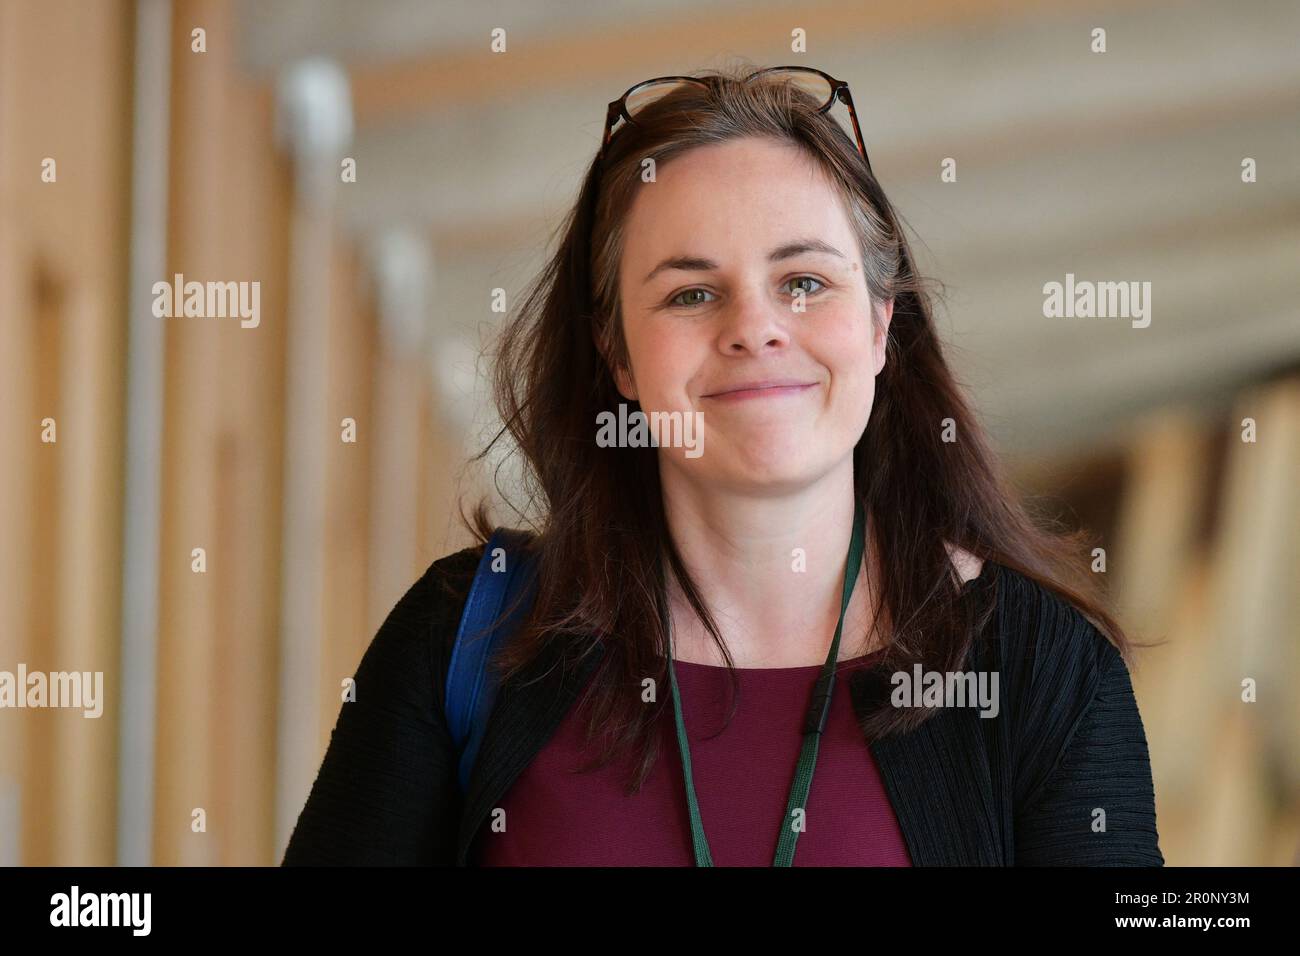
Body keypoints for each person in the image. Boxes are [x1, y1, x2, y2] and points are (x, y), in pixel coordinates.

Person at [282, 65, 1162, 866]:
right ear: (619, 357)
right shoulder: (467, 640)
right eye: (691, 293)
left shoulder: (1041, 671)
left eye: (805, 282)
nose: (755, 327)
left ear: (882, 322)